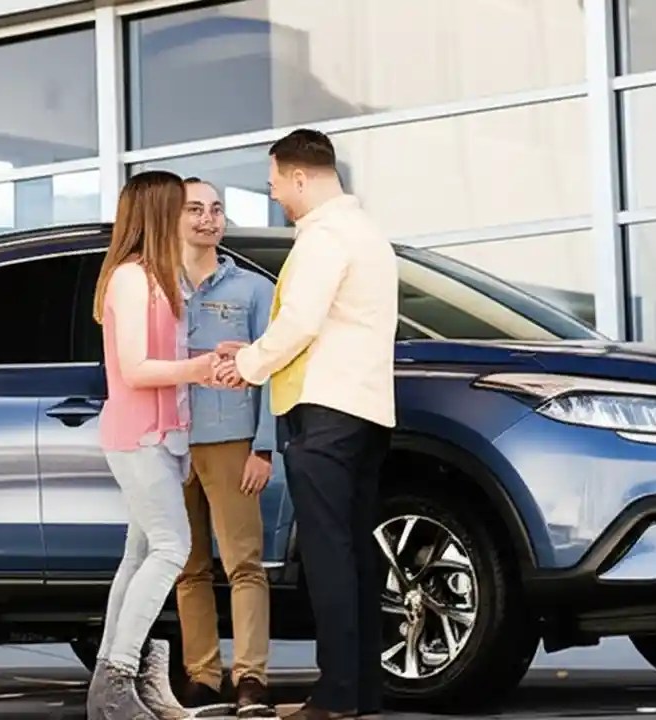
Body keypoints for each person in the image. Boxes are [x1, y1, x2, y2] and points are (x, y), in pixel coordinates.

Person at [213, 129, 398, 720]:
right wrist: (259, 350)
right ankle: (361, 690)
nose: (276, 198)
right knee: (356, 554)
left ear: (299, 176)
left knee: (327, 556)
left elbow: (299, 323)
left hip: (324, 410)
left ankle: (335, 696)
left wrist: (245, 364)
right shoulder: (368, 234)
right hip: (366, 410)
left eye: (274, 185)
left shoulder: (324, 237)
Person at [86, 169, 223, 720]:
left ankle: (118, 681)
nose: (191, 216)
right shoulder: (130, 278)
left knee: (139, 555)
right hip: (137, 436)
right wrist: (200, 369)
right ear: (157, 213)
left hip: (159, 439)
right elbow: (137, 368)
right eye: (180, 207)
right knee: (171, 549)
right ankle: (118, 678)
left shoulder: (154, 277)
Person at [173, 177, 277, 719]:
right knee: (188, 568)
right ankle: (202, 677)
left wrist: (264, 447)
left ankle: (251, 678)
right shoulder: (156, 290)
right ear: (174, 218)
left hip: (233, 443)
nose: (207, 219)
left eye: (216, 209)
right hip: (172, 445)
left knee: (244, 564)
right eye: (195, 209)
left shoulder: (254, 290)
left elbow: (273, 371)